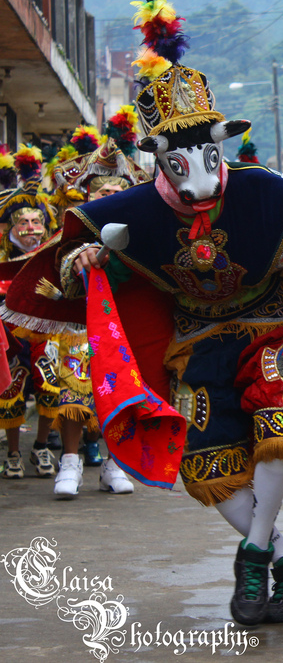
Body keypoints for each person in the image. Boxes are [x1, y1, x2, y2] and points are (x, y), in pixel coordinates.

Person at [5, 0, 283, 624]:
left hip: (271, 326)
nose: (200, 174)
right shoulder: (127, 214)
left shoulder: (266, 191)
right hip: (193, 343)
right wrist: (85, 263)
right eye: (180, 156)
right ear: (155, 159)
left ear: (222, 144)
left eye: (209, 151)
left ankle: (252, 563)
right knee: (211, 466)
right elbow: (68, 264)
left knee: (280, 420)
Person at [44, 110, 152, 497]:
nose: (110, 197)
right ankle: (69, 463)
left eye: (116, 191)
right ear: (89, 195)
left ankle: (114, 463)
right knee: (74, 391)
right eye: (102, 192)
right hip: (79, 322)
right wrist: (83, 257)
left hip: (124, 324)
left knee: (123, 393)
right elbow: (62, 263)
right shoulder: (74, 227)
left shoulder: (138, 229)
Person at [0, 145, 61, 481]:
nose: (30, 227)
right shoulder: (1, 254)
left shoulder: (52, 251)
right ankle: (11, 453)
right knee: (11, 389)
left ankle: (40, 446)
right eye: (23, 221)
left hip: (45, 329)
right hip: (7, 332)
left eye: (36, 221)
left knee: (50, 385)